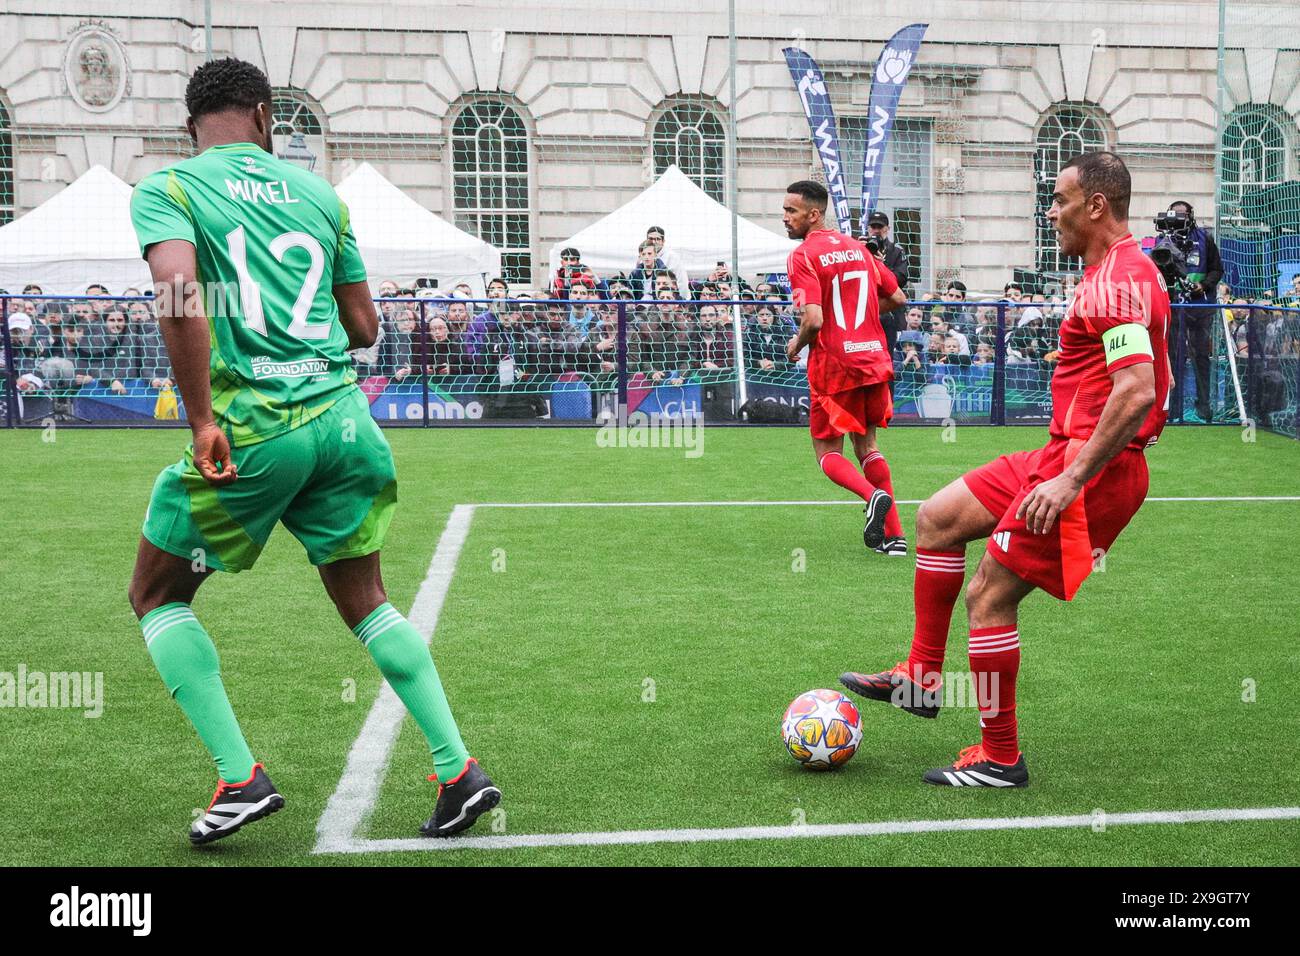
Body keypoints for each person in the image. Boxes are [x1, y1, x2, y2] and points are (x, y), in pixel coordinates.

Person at [126, 57, 498, 845]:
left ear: (191, 125)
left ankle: (240, 779)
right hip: (345, 426)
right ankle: (457, 770)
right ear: (264, 117)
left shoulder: (171, 188)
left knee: (157, 595)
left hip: (258, 431)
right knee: (366, 599)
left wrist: (200, 417)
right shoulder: (320, 195)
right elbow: (364, 327)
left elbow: (178, 294)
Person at [840, 151, 1170, 787]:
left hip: (1086, 468)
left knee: (989, 596)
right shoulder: (1114, 272)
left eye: (1059, 199)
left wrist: (1072, 478)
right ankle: (921, 676)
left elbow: (1138, 390)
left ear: (1095, 205)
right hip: (1059, 453)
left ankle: (1000, 758)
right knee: (936, 518)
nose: (1051, 212)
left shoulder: (1119, 279)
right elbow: (1146, 373)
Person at [782, 180, 909, 556]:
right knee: (868, 446)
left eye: (791, 211)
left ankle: (872, 498)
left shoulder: (803, 255)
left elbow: (815, 321)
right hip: (873, 358)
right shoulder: (859, 248)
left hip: (836, 365)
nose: (785, 217)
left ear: (813, 214)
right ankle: (896, 538)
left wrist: (795, 344)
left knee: (828, 453)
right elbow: (898, 297)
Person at [1162, 200, 1223, 423]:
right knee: (1173, 357)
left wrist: (1204, 285)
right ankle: (1173, 409)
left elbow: (1217, 270)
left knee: (1200, 357)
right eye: (1175, 215)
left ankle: (1203, 408)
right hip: (1174, 308)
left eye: (1183, 215)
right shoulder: (1164, 240)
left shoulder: (1204, 238)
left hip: (1201, 307)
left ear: (1191, 215)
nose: (1179, 219)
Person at [863, 211, 911, 358]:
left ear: (887, 228)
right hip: (866, 310)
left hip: (889, 311)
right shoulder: (860, 249)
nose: (876, 231)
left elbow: (901, 278)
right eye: (873, 227)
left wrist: (881, 266)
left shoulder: (896, 250)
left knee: (887, 356)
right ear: (868, 228)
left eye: (880, 227)